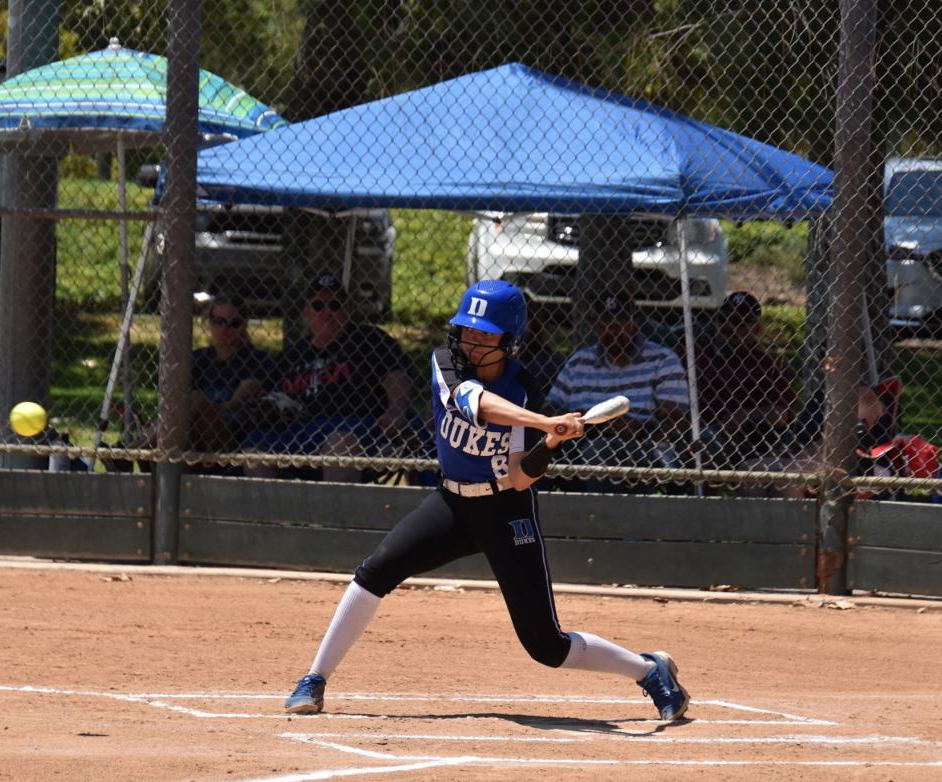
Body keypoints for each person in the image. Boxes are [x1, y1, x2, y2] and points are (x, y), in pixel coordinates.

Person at [281, 280, 691, 721]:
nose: (471, 342)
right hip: (452, 505)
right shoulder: (446, 362)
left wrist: (550, 442)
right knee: (375, 571)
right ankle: (314, 678)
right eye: (467, 331)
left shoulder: (524, 388)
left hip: (506, 512)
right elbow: (474, 402)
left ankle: (649, 670)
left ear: (510, 342)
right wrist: (543, 421)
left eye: (485, 335)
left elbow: (519, 477)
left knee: (545, 645)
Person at [243, 273, 414, 483]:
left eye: (335, 305)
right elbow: (267, 392)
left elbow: (396, 376)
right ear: (307, 313)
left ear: (347, 310)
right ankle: (273, 506)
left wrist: (396, 410)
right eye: (318, 306)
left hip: (356, 426)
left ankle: (335, 505)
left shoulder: (368, 340)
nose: (327, 312)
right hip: (301, 429)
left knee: (338, 442)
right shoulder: (293, 354)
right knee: (255, 448)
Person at [546, 291, 690, 488]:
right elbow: (550, 408)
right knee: (537, 450)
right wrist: (574, 419)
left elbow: (676, 422)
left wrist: (640, 430)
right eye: (605, 324)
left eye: (620, 323)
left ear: (634, 323)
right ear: (596, 327)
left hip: (644, 449)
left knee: (599, 449)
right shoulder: (579, 362)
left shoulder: (662, 360)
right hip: (579, 441)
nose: (613, 331)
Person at [694, 291, 797, 469]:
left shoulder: (768, 364)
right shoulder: (698, 356)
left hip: (745, 440)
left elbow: (782, 414)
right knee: (704, 439)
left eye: (738, 322)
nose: (728, 327)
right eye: (722, 319)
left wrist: (743, 416)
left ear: (756, 328)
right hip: (700, 432)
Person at [189, 294, 273, 451]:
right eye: (218, 321)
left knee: (195, 400)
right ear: (209, 321)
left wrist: (204, 407)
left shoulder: (256, 359)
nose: (224, 329)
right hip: (194, 430)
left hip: (232, 434)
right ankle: (146, 452)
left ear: (243, 326)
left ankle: (142, 450)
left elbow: (236, 404)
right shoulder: (198, 358)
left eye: (233, 323)